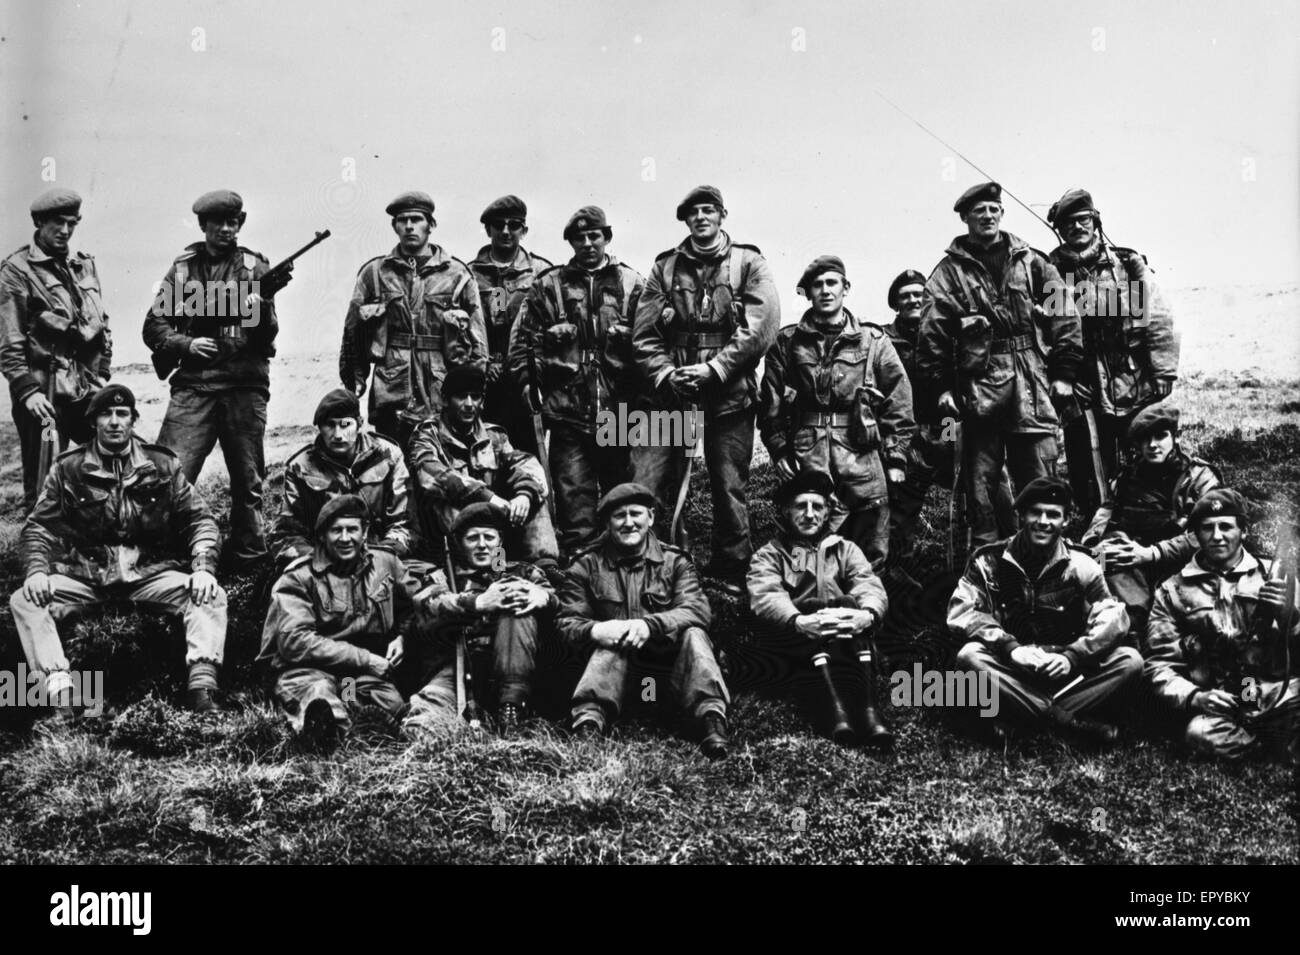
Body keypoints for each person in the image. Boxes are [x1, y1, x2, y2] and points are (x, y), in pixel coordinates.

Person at [10, 385, 227, 718]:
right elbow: (39, 527)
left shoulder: (162, 465)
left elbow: (201, 521)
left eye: (122, 414)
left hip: (149, 574)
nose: (114, 422)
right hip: (87, 577)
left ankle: (202, 692)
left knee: (210, 594)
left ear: (133, 419)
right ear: (94, 422)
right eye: (105, 414)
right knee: (25, 600)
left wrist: (202, 567)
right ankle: (63, 699)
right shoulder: (68, 469)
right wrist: (37, 570)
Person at [631, 185, 780, 596]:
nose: (701, 218)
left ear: (722, 215)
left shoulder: (749, 262)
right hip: (672, 396)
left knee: (728, 484)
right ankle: (654, 561)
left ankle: (731, 570)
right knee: (649, 478)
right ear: (685, 220)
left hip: (729, 396)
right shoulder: (664, 267)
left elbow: (761, 329)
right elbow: (644, 334)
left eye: (708, 210)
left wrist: (714, 370)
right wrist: (665, 375)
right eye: (693, 212)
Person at [918, 182, 1083, 546]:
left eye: (994, 209)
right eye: (980, 211)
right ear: (965, 219)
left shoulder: (1032, 261)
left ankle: (1047, 555)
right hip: (979, 388)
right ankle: (986, 565)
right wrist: (942, 388)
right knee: (981, 485)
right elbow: (933, 335)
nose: (988, 216)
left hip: (1032, 382)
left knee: (1040, 472)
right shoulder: (948, 273)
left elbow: (1065, 314)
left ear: (1002, 214)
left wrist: (1065, 373)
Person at [143, 189, 278, 567]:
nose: (225, 229)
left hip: (244, 385)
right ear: (202, 225)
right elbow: (154, 326)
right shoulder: (183, 269)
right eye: (216, 222)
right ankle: (161, 553)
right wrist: (186, 345)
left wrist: (262, 304)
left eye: (232, 222)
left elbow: (266, 336)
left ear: (241, 223)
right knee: (170, 471)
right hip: (194, 386)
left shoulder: (255, 269)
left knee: (248, 477)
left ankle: (250, 554)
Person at [950, 476, 1138, 743]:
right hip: (1012, 669)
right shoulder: (988, 561)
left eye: (1053, 515)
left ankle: (1023, 719)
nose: (1043, 521)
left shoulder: (1084, 564)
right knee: (970, 656)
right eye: (1035, 513)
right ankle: (1064, 721)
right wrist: (1011, 648)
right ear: (1021, 516)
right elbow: (964, 611)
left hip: (1065, 671)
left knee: (1130, 661)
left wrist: (1072, 656)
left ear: (1066, 521)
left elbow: (1112, 616)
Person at [758, 255, 913, 569]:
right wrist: (778, 450)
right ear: (808, 292)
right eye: (818, 285)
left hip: (862, 450)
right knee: (808, 529)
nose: (825, 291)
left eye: (832, 283)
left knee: (872, 534)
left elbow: (899, 401)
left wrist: (896, 457)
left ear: (846, 288)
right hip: (807, 448)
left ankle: (868, 607)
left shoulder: (873, 341)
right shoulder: (787, 343)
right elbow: (771, 401)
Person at [557, 483, 730, 758]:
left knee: (694, 634)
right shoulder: (585, 565)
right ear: (607, 523)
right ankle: (588, 724)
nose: (628, 523)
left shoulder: (675, 562)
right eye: (619, 516)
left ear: (650, 518)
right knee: (611, 637)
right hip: (613, 677)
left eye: (635, 514)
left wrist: (650, 625)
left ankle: (710, 717)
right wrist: (596, 629)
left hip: (665, 674)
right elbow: (566, 622)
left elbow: (697, 609)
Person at [509, 205, 645, 551]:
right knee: (574, 503)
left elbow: (651, 345)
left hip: (619, 414)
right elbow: (524, 344)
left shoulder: (633, 285)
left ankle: (625, 571)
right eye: (579, 237)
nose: (587, 243)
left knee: (622, 498)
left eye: (594, 235)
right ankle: (580, 576)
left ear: (607, 237)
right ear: (570, 242)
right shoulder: (548, 286)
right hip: (568, 415)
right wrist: (528, 383)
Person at [1047, 188, 1179, 514]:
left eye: (1084, 220)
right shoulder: (1051, 271)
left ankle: (1150, 514)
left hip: (1130, 378)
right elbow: (1044, 332)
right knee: (1085, 455)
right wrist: (1061, 375)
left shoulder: (1125, 264)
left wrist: (1163, 370)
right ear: (1060, 230)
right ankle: (1096, 522)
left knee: (1142, 445)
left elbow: (1157, 318)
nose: (1077, 228)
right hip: (1081, 384)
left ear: (1095, 222)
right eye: (1069, 223)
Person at [1143, 489, 1299, 763]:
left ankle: (1269, 740)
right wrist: (1195, 697)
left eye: (1226, 526)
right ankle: (1273, 746)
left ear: (1244, 532)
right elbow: (1159, 664)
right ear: (1196, 535)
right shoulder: (1172, 591)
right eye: (1207, 528)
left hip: (1277, 690)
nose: (1217, 536)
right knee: (1199, 734)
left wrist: (1291, 619)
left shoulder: (1276, 579)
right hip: (1223, 700)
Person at [747, 470, 893, 746]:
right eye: (801, 506)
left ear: (827, 513)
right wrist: (799, 620)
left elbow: (868, 584)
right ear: (786, 512)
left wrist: (866, 614)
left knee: (848, 603)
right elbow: (765, 595)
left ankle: (870, 712)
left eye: (818, 507)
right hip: (798, 643)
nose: (810, 514)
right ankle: (835, 712)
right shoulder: (770, 554)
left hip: (845, 640)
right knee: (813, 606)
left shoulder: (845, 550)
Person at [882, 268, 1012, 567]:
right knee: (901, 504)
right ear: (895, 304)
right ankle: (901, 571)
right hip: (910, 433)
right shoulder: (885, 341)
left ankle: (1005, 553)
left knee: (989, 488)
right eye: (905, 296)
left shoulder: (949, 334)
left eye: (919, 294)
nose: (913, 300)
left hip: (949, 427)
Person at [259, 494, 417, 740]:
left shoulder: (385, 563)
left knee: (390, 704)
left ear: (364, 532)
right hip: (307, 669)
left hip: (352, 677)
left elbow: (415, 604)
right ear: (322, 535)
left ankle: (354, 721)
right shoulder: (299, 577)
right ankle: (327, 731)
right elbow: (296, 641)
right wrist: (365, 659)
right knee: (319, 695)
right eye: (336, 531)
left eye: (352, 529)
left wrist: (402, 636)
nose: (345, 538)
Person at [338, 190, 487, 448]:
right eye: (402, 220)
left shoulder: (457, 274)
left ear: (431, 225)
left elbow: (477, 338)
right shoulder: (374, 273)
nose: (409, 226)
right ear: (394, 226)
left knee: (441, 467)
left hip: (441, 388)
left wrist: (473, 389)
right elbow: (353, 332)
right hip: (392, 388)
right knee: (393, 463)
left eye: (416, 219)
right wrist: (355, 378)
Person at [1, 188, 112, 511]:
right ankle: (39, 554)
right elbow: (8, 340)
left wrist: (102, 372)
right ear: (39, 223)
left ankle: (99, 542)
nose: (65, 231)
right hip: (43, 394)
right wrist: (27, 391)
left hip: (84, 388)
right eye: (58, 223)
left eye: (71, 223)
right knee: (45, 487)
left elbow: (101, 323)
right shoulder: (17, 271)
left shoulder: (84, 266)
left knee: (111, 459)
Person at [404, 502, 555, 735]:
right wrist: (478, 603)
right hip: (459, 666)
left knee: (516, 603)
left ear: (500, 541)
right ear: (459, 543)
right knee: (423, 724)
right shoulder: (442, 578)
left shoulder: (524, 572)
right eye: (472, 538)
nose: (482, 545)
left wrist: (544, 597)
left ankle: (512, 710)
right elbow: (426, 610)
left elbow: (563, 608)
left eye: (489, 537)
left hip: (516, 673)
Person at [1079, 404, 1220, 638]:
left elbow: (1208, 536)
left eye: (1161, 436)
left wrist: (1152, 553)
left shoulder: (1199, 478)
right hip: (1128, 558)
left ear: (1176, 437)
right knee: (1087, 568)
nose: (1153, 445)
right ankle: (1121, 631)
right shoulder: (1128, 476)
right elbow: (1108, 511)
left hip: (1178, 561)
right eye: (1145, 439)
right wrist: (1094, 544)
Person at [408, 365, 558, 568]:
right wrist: (488, 497)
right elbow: (433, 475)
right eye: (461, 397)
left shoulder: (494, 436)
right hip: (446, 527)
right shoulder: (426, 435)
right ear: (445, 400)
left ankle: (544, 567)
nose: (469, 404)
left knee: (532, 495)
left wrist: (524, 494)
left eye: (475, 397)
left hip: (492, 521)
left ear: (483, 402)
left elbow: (525, 463)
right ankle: (475, 574)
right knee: (444, 502)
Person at [270, 389, 410, 572]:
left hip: (382, 559)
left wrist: (379, 558)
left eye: (345, 424)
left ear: (359, 424)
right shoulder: (301, 468)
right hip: (322, 565)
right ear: (319, 427)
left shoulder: (387, 456)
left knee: (427, 584)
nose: (337, 434)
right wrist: (318, 562)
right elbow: (285, 534)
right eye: (330, 425)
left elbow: (404, 524)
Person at [467, 194, 552, 449]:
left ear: (523, 230)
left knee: (528, 450)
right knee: (484, 451)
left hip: (526, 378)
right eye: (498, 225)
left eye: (513, 225)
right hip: (484, 380)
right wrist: (485, 363)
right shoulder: (469, 273)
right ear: (487, 229)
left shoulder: (541, 272)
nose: (506, 231)